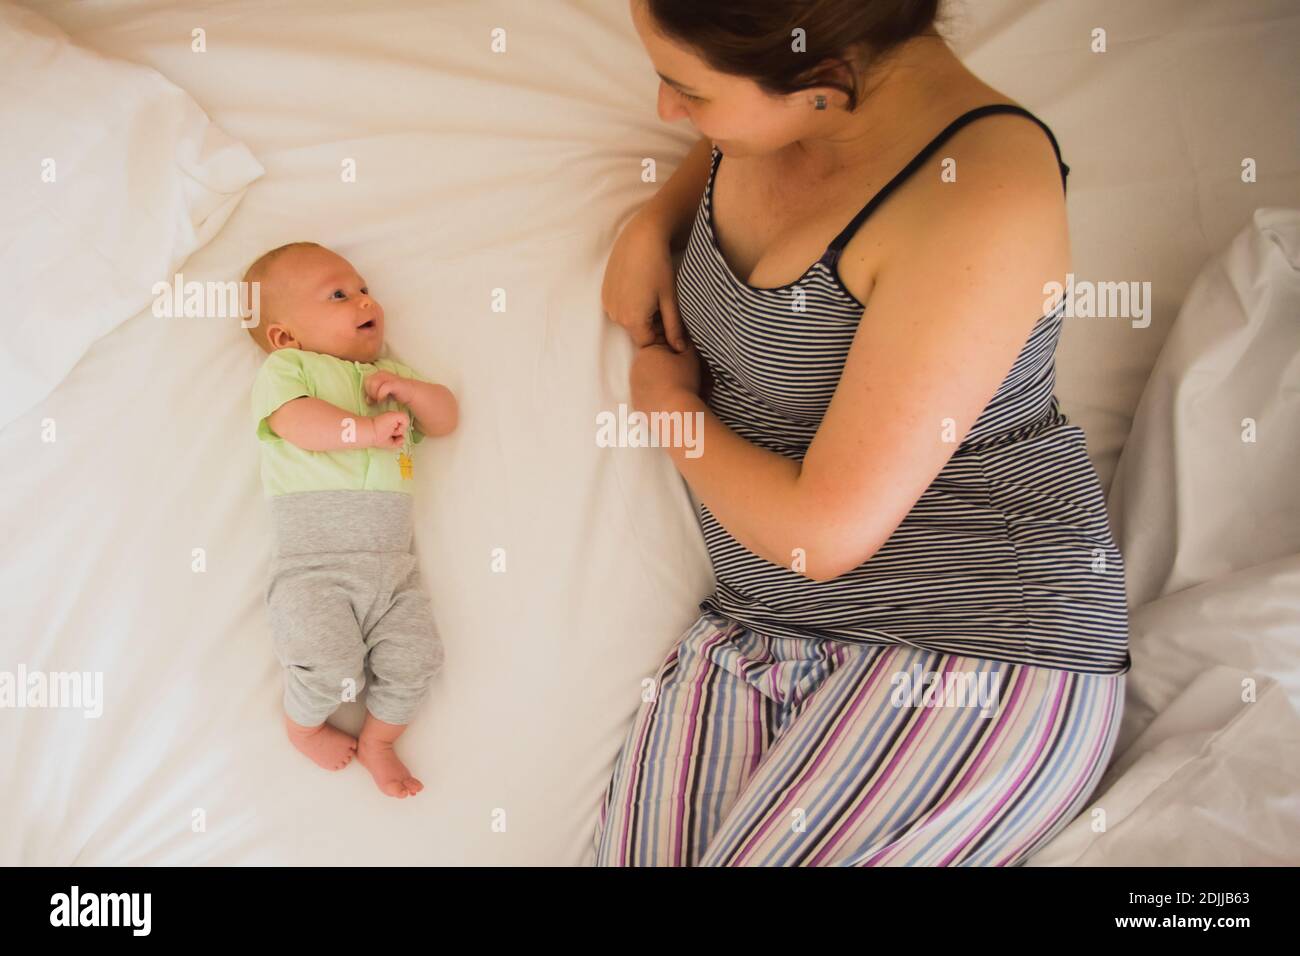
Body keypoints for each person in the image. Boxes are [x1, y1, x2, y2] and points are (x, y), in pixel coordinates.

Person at [594, 0, 1130, 866]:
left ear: (827, 80)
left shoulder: (981, 196)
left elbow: (823, 534)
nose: (666, 111)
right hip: (756, 630)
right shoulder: (783, 110)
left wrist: (662, 400)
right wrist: (656, 218)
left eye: (685, 87)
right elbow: (741, 130)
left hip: (976, 651)